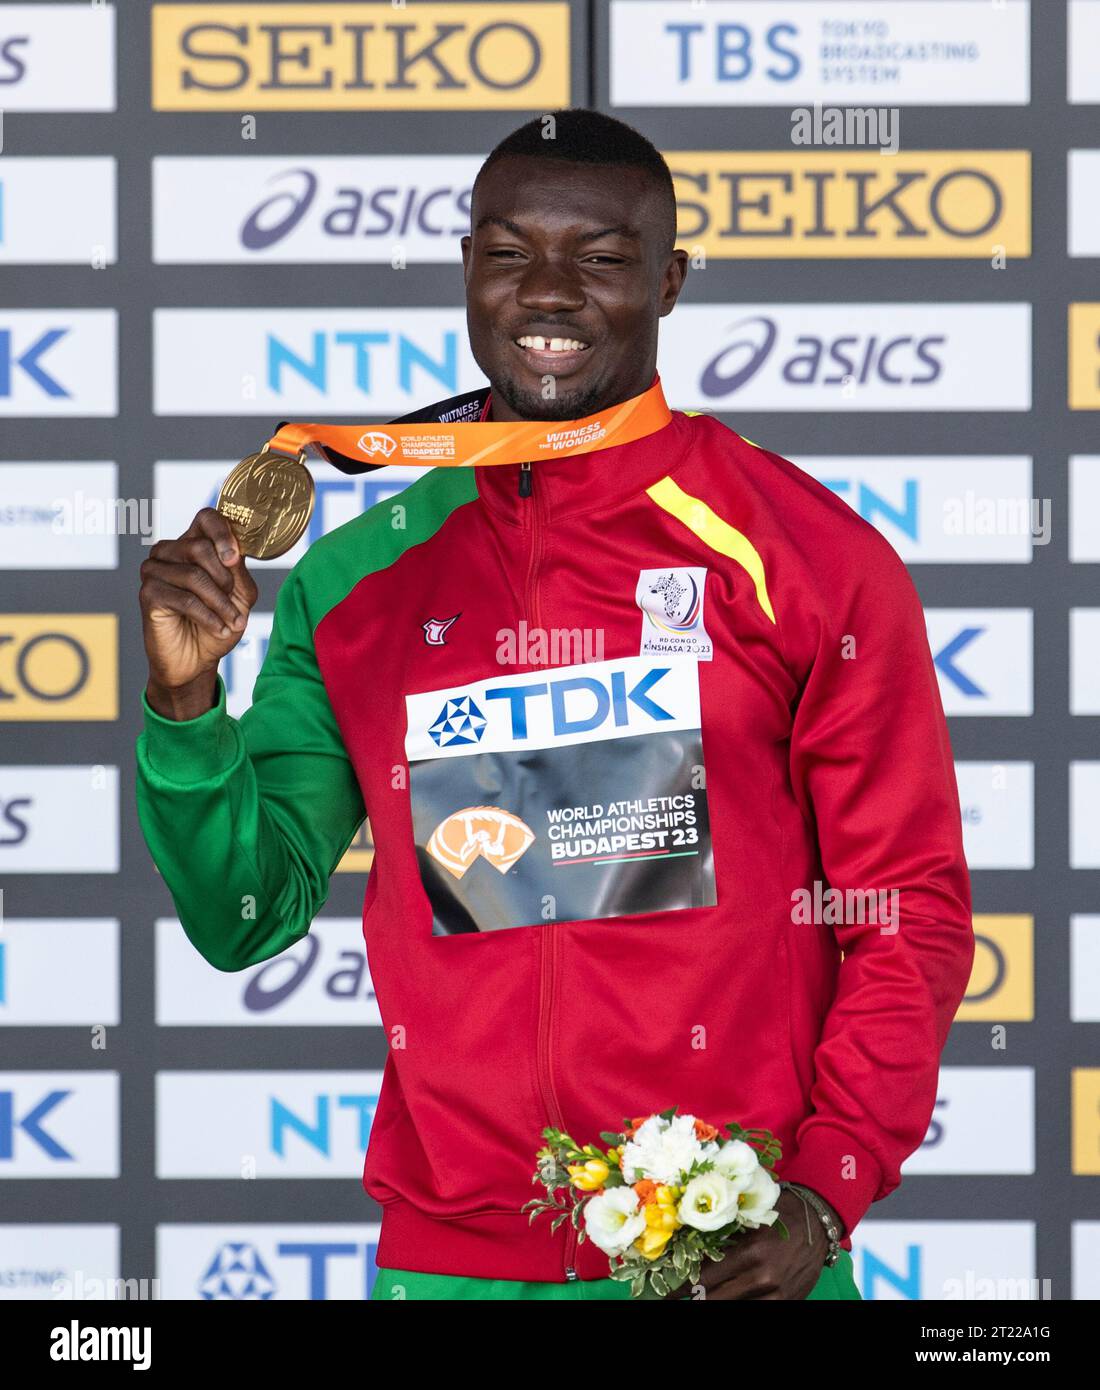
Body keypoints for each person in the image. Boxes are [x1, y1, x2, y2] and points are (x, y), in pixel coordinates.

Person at [136, 108, 974, 1302]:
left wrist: (824, 1186)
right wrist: (183, 704)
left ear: (669, 280)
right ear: (467, 269)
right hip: (451, 1259)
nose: (547, 292)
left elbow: (904, 913)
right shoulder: (353, 581)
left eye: (600, 257)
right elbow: (247, 914)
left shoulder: (804, 560)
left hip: (725, 1254)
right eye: (508, 251)